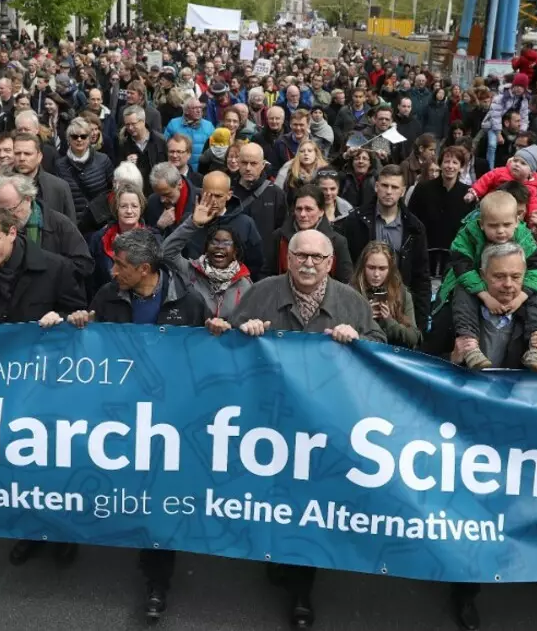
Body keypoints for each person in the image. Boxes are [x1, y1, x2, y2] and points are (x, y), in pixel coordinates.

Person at [207, 229, 384, 629]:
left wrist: (358, 340)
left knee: (311, 503)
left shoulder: (350, 301)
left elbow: (379, 346)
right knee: (276, 498)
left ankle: (303, 589)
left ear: (329, 263)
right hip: (270, 423)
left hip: (326, 425)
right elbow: (228, 342)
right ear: (288, 258)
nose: (308, 263)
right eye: (300, 255)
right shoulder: (262, 292)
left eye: (317, 258)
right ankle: (277, 557)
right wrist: (242, 330)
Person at [64, 228, 207, 619]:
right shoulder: (107, 298)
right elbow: (90, 346)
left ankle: (157, 581)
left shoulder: (190, 304)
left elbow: (206, 363)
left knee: (158, 498)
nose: (112, 271)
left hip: (167, 423)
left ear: (145, 269)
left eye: (121, 265)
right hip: (118, 418)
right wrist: (80, 323)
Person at [0, 204, 87, 567]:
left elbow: (82, 318)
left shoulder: (56, 267)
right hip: (4, 389)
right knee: (17, 466)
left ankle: (64, 532)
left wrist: (62, 318)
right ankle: (28, 530)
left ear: (13, 233)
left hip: (52, 385)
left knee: (57, 465)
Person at [445, 191, 537, 371]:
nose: (501, 231)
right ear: (481, 224)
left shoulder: (525, 237)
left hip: (514, 387)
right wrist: (486, 297)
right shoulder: (467, 235)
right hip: (471, 282)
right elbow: (463, 268)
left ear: (517, 221)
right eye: (493, 226)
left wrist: (520, 297)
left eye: (506, 225)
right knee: (462, 291)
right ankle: (470, 346)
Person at [339, 164, 432, 328]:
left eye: (394, 187)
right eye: (384, 185)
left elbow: (421, 277)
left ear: (403, 191)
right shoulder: (356, 221)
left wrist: (421, 326)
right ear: (376, 186)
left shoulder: (415, 228)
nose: (389, 191)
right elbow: (347, 267)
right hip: (360, 305)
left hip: (400, 308)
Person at [0, 171, 93, 281]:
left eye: (12, 209)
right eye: (2, 211)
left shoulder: (59, 223)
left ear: (28, 199)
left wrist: (48, 268)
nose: (8, 216)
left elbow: (84, 265)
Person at [352, 241, 420, 348]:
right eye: (371, 268)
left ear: (390, 269)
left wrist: (389, 320)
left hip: (391, 356)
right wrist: (365, 315)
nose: (376, 274)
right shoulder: (350, 292)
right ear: (363, 267)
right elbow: (339, 329)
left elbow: (414, 338)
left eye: (382, 268)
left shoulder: (401, 294)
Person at [57, 117, 115, 219]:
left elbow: (113, 190)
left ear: (89, 139)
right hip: (73, 222)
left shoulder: (103, 160)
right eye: (74, 137)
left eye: (83, 136)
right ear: (68, 139)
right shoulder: (59, 165)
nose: (79, 140)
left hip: (100, 222)